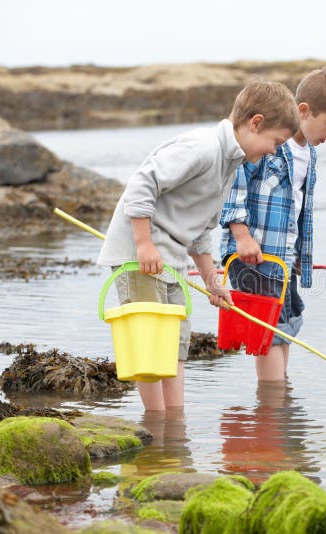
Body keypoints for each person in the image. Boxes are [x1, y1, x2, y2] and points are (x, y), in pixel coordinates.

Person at [98, 80, 299, 411]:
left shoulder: (231, 165)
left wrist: (211, 280)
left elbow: (201, 230)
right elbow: (142, 183)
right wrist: (144, 243)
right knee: (151, 347)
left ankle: (175, 423)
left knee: (176, 345)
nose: (274, 150)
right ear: (255, 123)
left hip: (173, 259)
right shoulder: (203, 148)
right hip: (141, 257)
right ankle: (157, 420)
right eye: (275, 141)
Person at [220, 68, 326, 382]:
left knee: (288, 323)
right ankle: (273, 401)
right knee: (269, 333)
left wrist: (298, 256)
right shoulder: (268, 146)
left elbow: (299, 208)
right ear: (303, 111)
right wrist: (241, 236)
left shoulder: (309, 153)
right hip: (254, 257)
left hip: (283, 261)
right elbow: (233, 185)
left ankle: (281, 401)